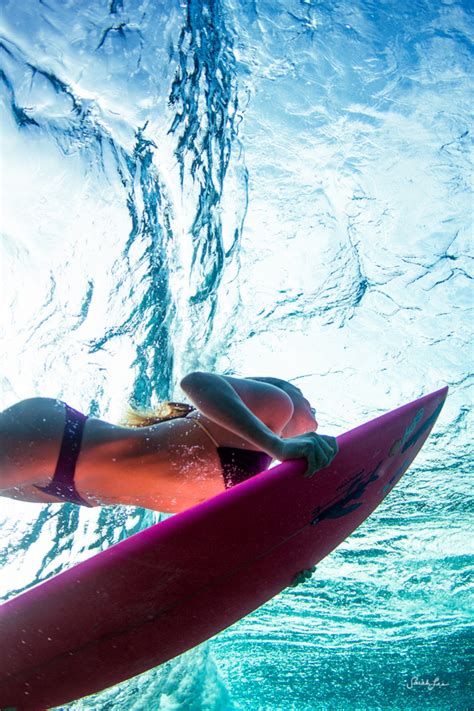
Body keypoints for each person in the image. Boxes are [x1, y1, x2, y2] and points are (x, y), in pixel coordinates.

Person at [0, 372, 338, 513]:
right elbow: (196, 382)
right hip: (59, 441)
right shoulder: (279, 405)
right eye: (311, 402)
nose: (314, 412)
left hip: (63, 487)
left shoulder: (258, 472)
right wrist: (277, 445)